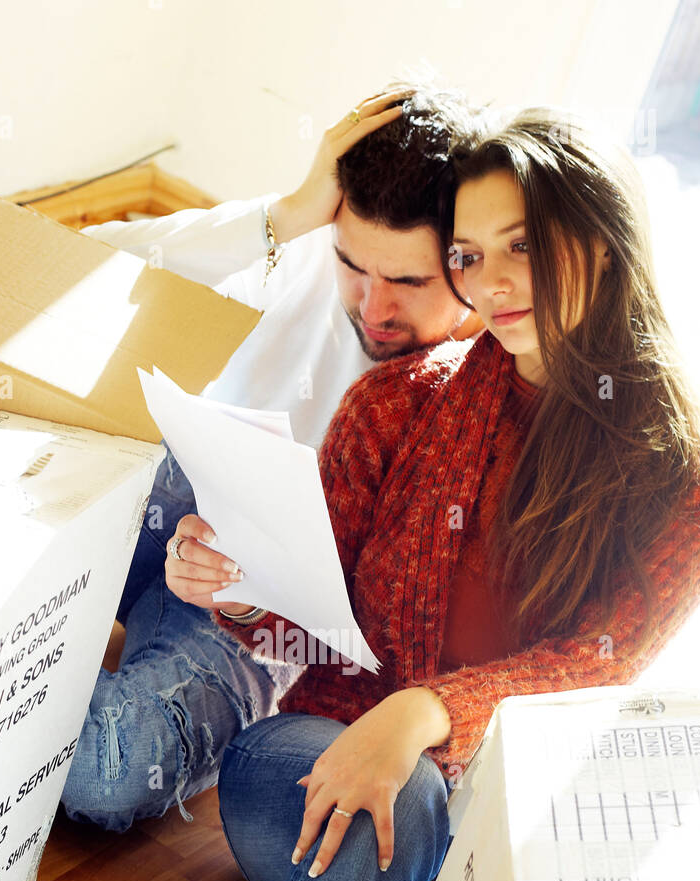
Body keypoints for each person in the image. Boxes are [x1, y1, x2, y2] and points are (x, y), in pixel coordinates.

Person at [56, 107, 700, 881]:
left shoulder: (699, 483)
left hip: (471, 840)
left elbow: (601, 663)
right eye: (468, 254)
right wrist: (212, 583)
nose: (487, 279)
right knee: (386, 826)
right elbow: (301, 615)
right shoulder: (400, 402)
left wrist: (420, 710)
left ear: (598, 235)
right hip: (305, 770)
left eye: (515, 242)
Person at [60, 86, 482, 831]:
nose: (374, 307)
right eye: (357, 265)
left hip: (258, 608)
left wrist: (247, 593)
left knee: (111, 771)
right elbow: (71, 267)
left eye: (410, 282)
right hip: (170, 481)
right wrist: (286, 216)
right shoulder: (312, 247)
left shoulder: (488, 388)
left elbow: (373, 636)